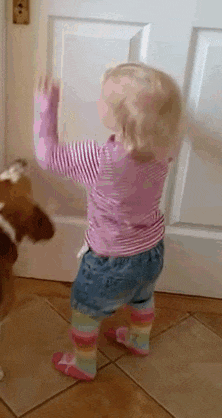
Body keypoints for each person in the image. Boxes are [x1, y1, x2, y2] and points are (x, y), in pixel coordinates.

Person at [33, 63, 184, 380]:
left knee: (85, 310)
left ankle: (84, 363)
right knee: (142, 297)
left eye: (103, 99)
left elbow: (47, 156)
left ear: (121, 118)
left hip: (109, 259)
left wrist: (46, 109)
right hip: (152, 251)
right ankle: (138, 340)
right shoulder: (165, 149)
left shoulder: (98, 158)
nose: (98, 103)